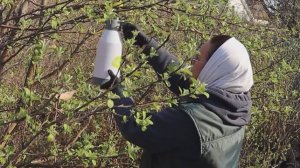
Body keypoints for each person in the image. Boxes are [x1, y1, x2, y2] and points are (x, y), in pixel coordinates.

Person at [101, 23, 254, 168]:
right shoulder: (235, 105)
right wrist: (146, 45)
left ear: (214, 68)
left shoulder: (191, 121)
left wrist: (117, 91)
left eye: (197, 59)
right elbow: (183, 79)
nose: (191, 64)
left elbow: (134, 127)